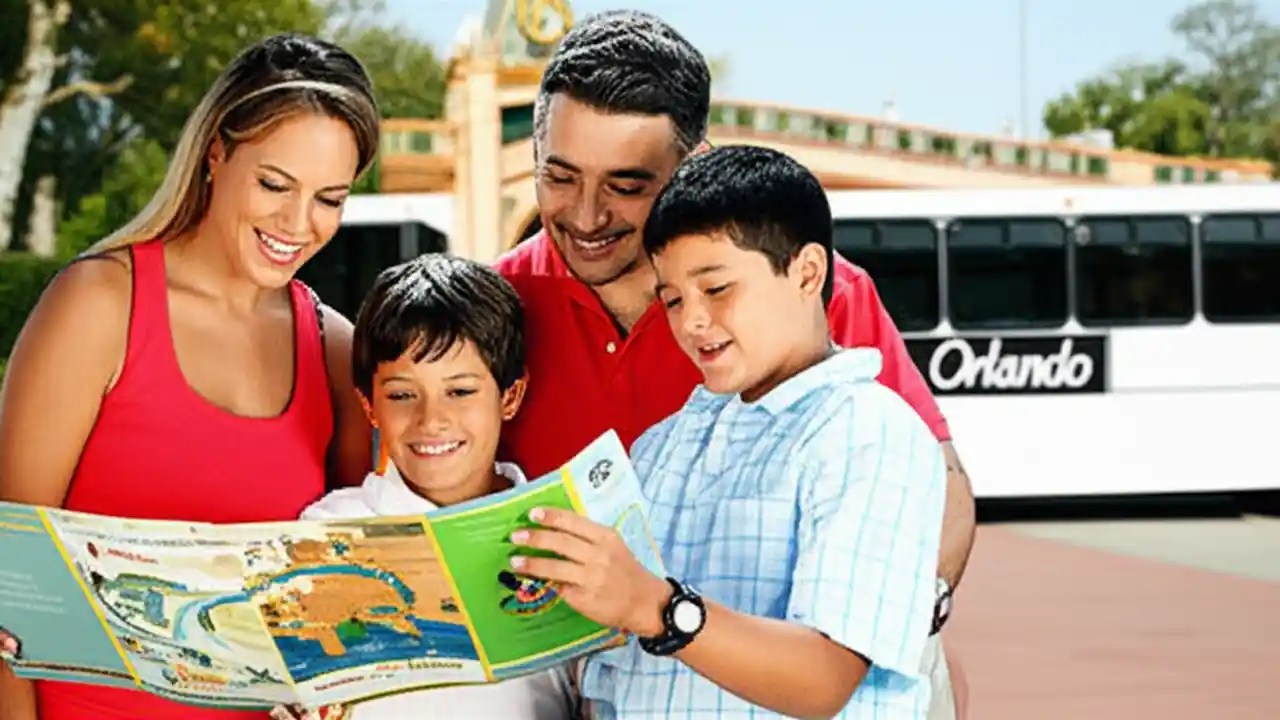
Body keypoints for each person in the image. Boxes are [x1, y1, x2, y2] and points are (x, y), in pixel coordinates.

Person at [492, 9, 972, 715]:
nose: (587, 215)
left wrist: (901, 613)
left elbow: (941, 482)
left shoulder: (815, 294)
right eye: (560, 178)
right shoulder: (493, 306)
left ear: (694, 164)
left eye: (626, 185)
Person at [0, 33, 379, 720]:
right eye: (274, 185)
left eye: (330, 198)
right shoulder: (99, 306)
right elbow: (7, 579)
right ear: (215, 152)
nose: (298, 223)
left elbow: (342, 594)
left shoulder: (335, 350)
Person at [272, 254, 575, 720]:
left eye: (460, 391)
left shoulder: (560, 539)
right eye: (401, 395)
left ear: (510, 395)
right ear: (369, 406)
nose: (431, 420)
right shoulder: (324, 534)